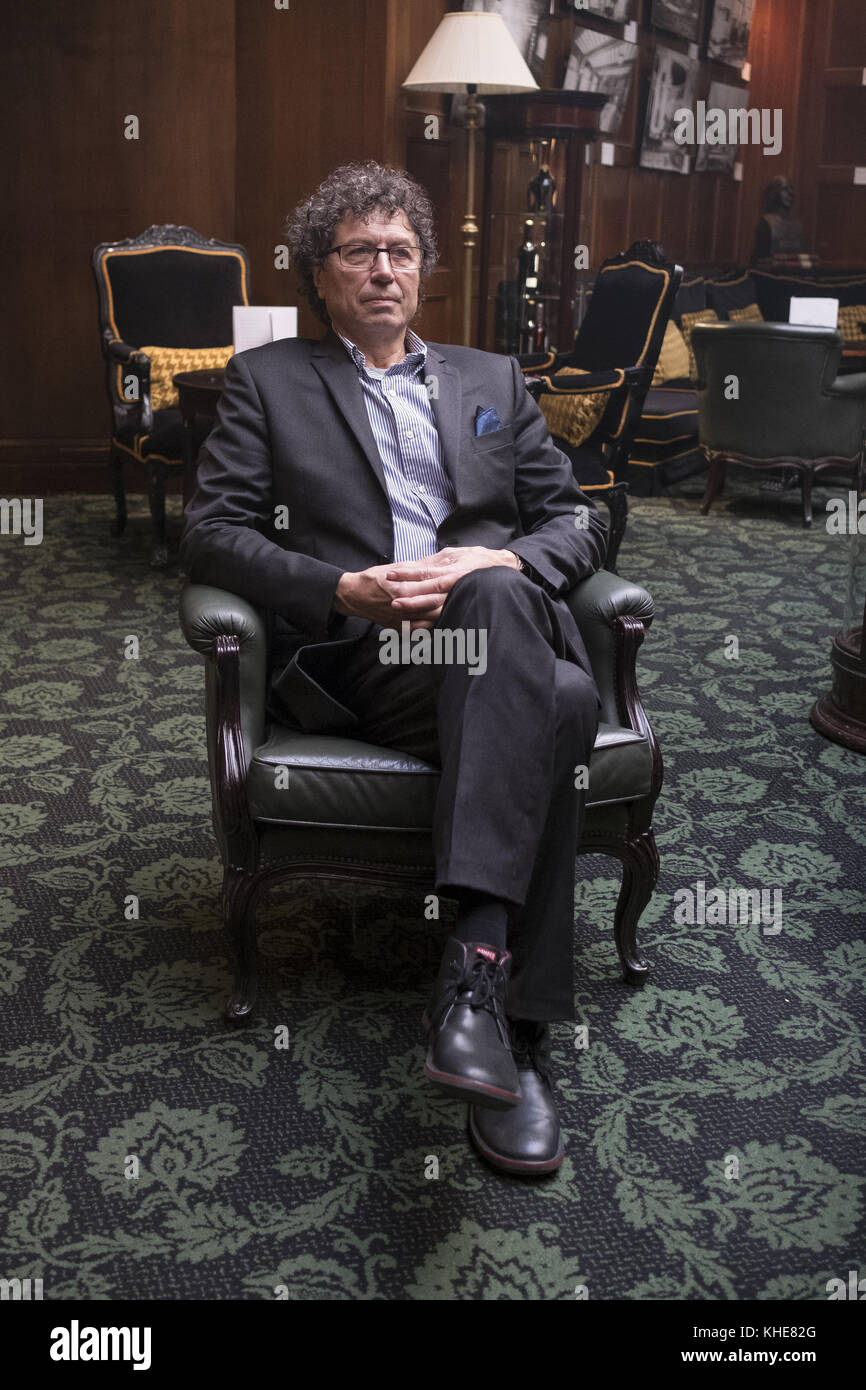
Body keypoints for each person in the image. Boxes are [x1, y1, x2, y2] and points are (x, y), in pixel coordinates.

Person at [180, 161, 608, 1176]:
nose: (382, 269)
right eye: (358, 251)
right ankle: (506, 1006)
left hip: (488, 631)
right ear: (319, 276)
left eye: (400, 250)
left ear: (423, 270)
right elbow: (209, 536)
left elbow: (578, 517)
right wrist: (343, 591)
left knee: (498, 593)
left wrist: (506, 557)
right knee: (566, 699)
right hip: (374, 659)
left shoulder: (490, 381)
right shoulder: (270, 382)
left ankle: (473, 988)